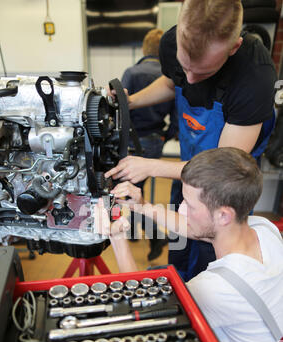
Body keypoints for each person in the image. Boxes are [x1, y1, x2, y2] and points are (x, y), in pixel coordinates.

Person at [95, 147, 283, 342]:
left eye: (189, 204)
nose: (181, 209)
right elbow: (200, 230)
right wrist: (143, 207)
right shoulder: (263, 228)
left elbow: (142, 311)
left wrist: (118, 239)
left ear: (223, 215)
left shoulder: (216, 288)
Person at [105, 0, 277, 282]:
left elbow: (223, 169)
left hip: (223, 190)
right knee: (180, 250)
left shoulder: (253, 77)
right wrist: (130, 102)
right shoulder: (173, 43)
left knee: (207, 268)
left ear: (233, 48)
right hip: (184, 177)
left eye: (204, 72)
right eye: (185, 67)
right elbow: (171, 82)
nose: (191, 80)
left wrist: (152, 167)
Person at [121, 28, 178, 261]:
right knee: (136, 190)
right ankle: (135, 232)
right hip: (156, 140)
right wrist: (167, 134)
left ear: (145, 49)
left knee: (128, 193)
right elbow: (176, 114)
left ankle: (156, 236)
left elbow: (121, 110)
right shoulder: (172, 76)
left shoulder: (132, 72)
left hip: (133, 141)